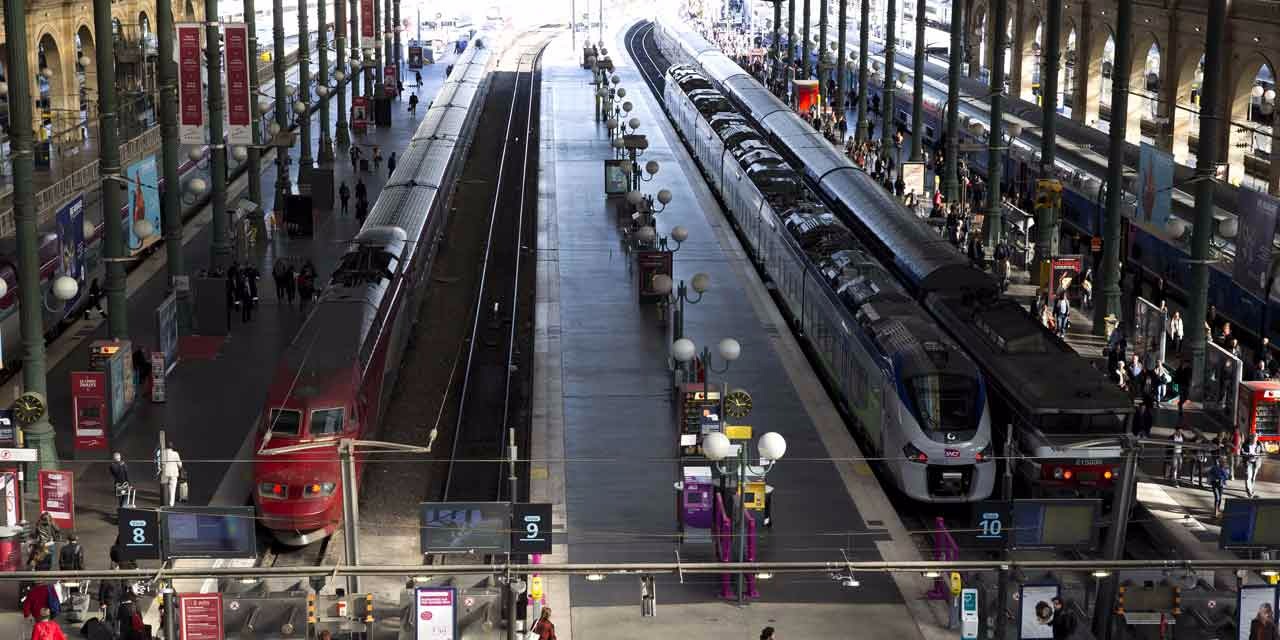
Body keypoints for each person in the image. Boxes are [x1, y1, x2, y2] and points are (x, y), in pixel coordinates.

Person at [1243, 433, 1264, 498]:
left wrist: (1257, 455)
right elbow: (1242, 452)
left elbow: (1263, 452)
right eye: (1252, 440)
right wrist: (1248, 454)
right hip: (1248, 462)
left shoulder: (1260, 444)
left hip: (1256, 462)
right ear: (1250, 438)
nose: (1254, 441)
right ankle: (1249, 492)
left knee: (1253, 477)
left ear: (1257, 439)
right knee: (1248, 477)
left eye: (1255, 440)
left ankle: (1251, 489)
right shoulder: (1245, 444)